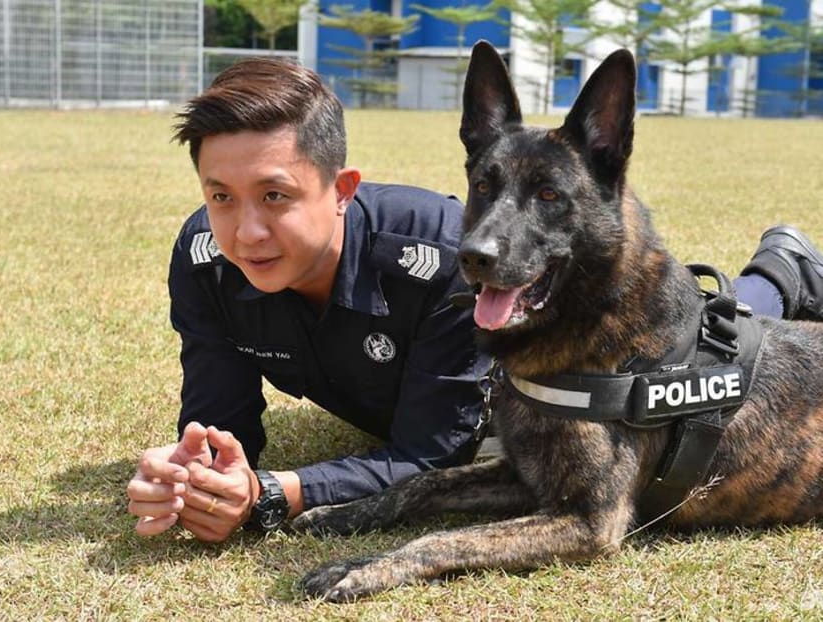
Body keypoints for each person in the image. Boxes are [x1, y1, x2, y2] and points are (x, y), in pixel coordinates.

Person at [126, 57, 823, 543]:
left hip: (505, 389)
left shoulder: (446, 262)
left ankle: (780, 271)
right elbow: (220, 423)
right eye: (220, 196)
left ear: (343, 190)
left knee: (717, 333)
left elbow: (432, 452)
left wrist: (275, 495)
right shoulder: (205, 254)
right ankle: (779, 270)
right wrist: (195, 476)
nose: (245, 230)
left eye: (275, 195)